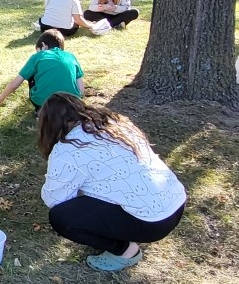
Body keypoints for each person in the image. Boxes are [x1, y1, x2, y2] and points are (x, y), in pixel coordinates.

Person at [36, 94, 187, 271]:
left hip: (152, 223)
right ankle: (126, 229)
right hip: (176, 204)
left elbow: (54, 199)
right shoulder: (113, 124)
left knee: (61, 217)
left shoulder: (66, 149)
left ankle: (125, 250)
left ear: (48, 126)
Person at [0, 29, 85, 113]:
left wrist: (0, 98)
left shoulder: (38, 56)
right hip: (72, 104)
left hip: (44, 103)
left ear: (43, 45)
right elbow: (81, 90)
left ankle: (41, 110)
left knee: (32, 73)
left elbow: (14, 84)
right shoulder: (71, 57)